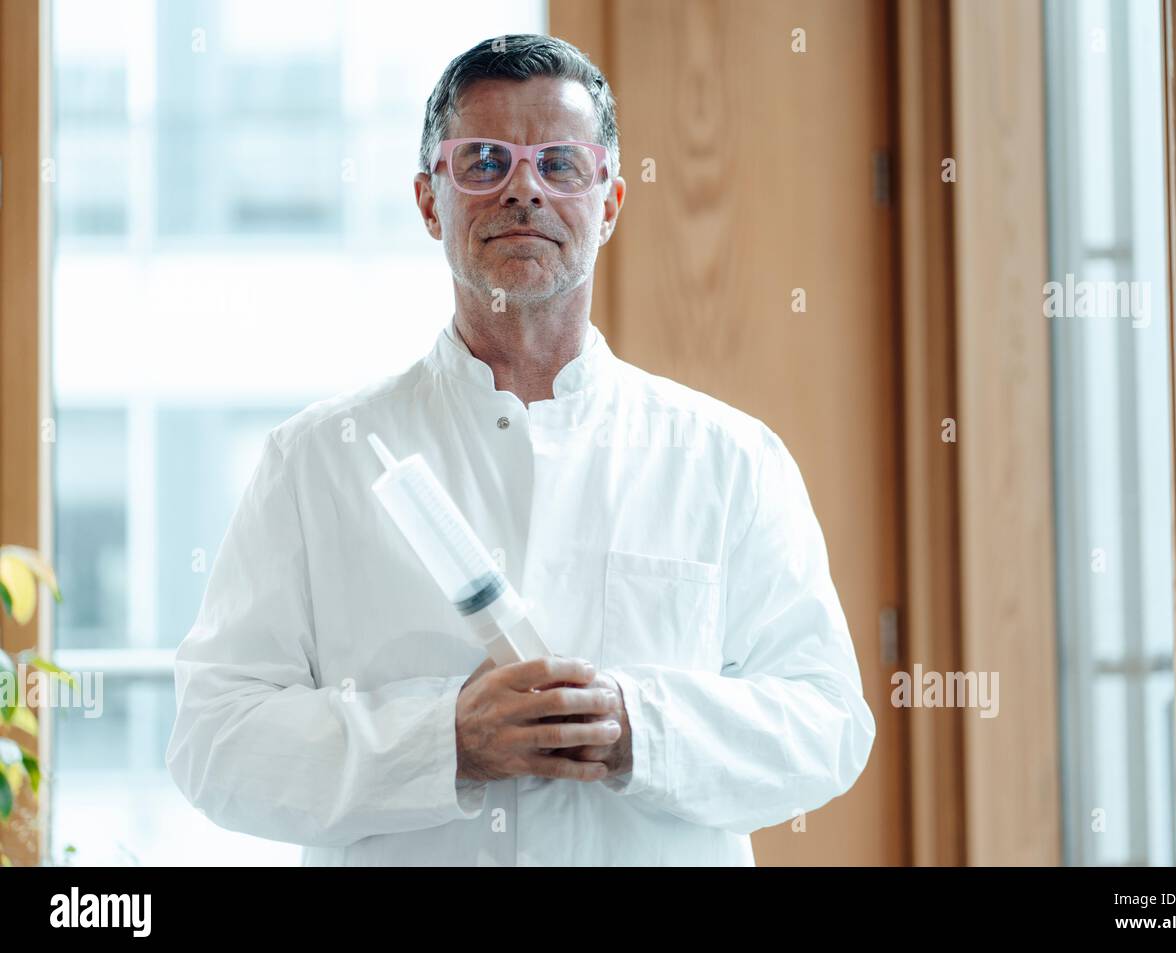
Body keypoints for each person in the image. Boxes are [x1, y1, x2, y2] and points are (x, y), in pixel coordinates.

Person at [165, 33, 875, 866]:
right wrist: (444, 740)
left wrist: (638, 725)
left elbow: (827, 724)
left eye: (560, 164)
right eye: (485, 161)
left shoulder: (730, 460)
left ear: (609, 200)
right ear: (430, 200)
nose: (523, 190)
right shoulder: (319, 460)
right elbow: (214, 738)